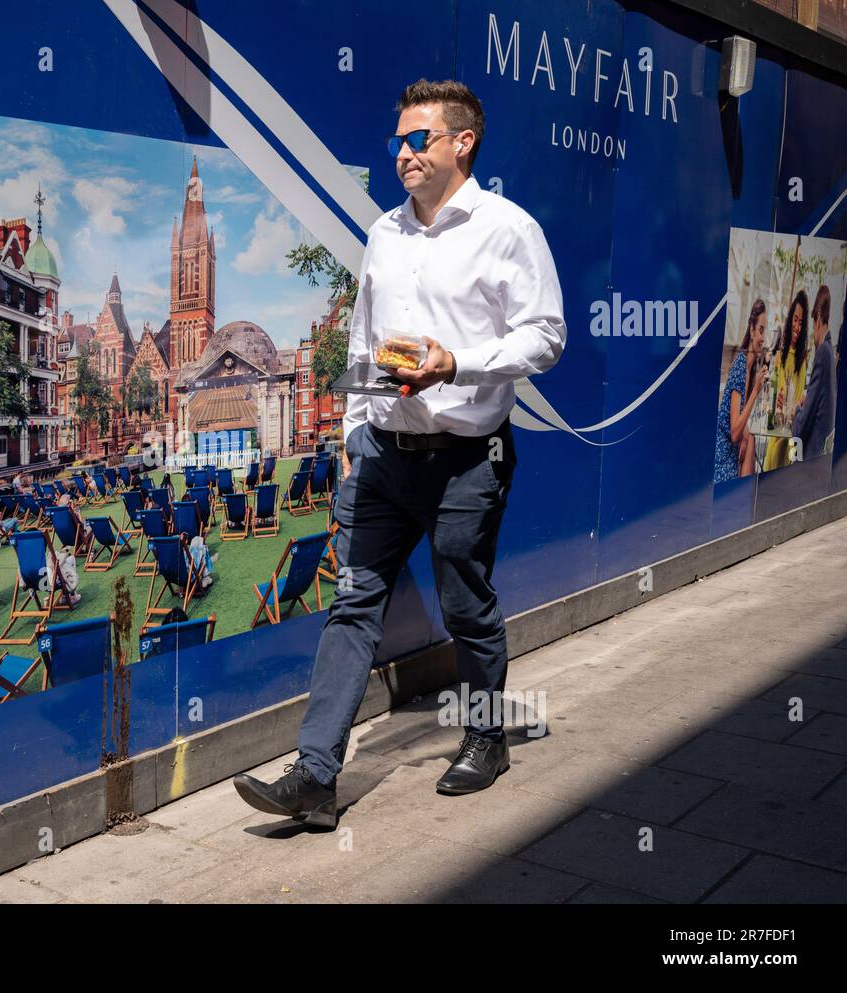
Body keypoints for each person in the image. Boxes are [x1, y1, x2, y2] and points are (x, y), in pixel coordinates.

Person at [234, 80, 566, 828]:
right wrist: (354, 432)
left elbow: (546, 336)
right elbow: (360, 338)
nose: (405, 154)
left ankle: (485, 734)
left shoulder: (508, 229)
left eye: (419, 139)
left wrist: (459, 363)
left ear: (462, 143)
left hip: (466, 459)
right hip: (382, 455)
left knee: (464, 606)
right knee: (353, 605)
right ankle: (316, 776)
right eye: (399, 143)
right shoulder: (383, 233)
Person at [714, 299, 769, 483]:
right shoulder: (740, 365)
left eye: (765, 331)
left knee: (751, 439)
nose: (763, 338)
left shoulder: (749, 368)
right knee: (749, 439)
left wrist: (745, 435)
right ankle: (742, 502)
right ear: (752, 330)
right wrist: (756, 391)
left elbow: (740, 425)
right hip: (722, 456)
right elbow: (734, 433)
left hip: (731, 452)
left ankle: (744, 502)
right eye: (760, 330)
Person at [763, 290, 810, 471]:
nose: (797, 326)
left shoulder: (802, 360)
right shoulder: (779, 356)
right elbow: (770, 402)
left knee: (790, 468)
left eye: (801, 322)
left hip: (791, 434)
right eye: (795, 320)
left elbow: (798, 404)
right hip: (775, 433)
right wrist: (774, 405)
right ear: (790, 319)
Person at [792, 285, 835, 461]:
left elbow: (801, 428)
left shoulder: (822, 353)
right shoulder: (830, 351)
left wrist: (795, 410)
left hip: (809, 459)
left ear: (817, 320)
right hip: (819, 454)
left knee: (790, 451)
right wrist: (806, 399)